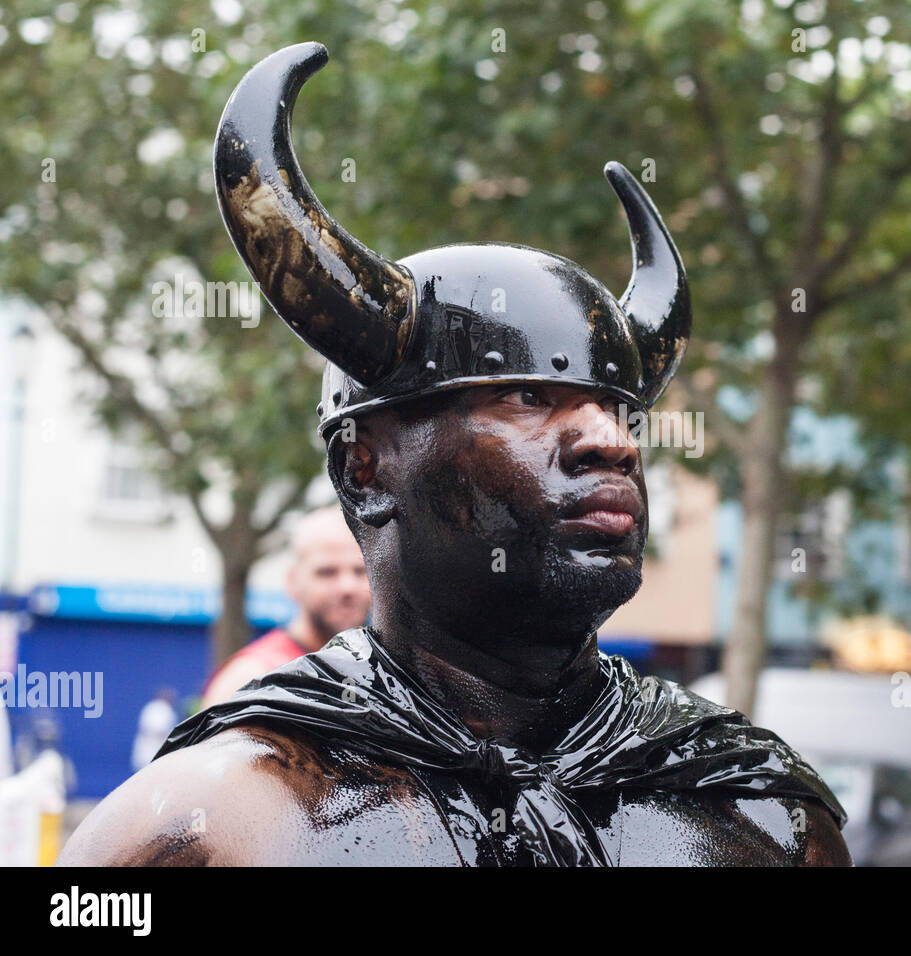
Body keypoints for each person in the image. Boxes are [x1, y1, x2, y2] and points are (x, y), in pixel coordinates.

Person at [57, 43, 849, 866]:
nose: (612, 440)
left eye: (620, 408)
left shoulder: (761, 817)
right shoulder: (202, 828)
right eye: (528, 399)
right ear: (365, 472)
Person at [200, 507, 371, 706]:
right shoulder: (254, 679)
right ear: (293, 581)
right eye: (327, 572)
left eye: (360, 571)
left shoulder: (378, 672)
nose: (347, 587)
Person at [130, 689, 179, 772]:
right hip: (150, 750)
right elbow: (157, 729)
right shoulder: (157, 709)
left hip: (156, 752)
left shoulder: (165, 709)